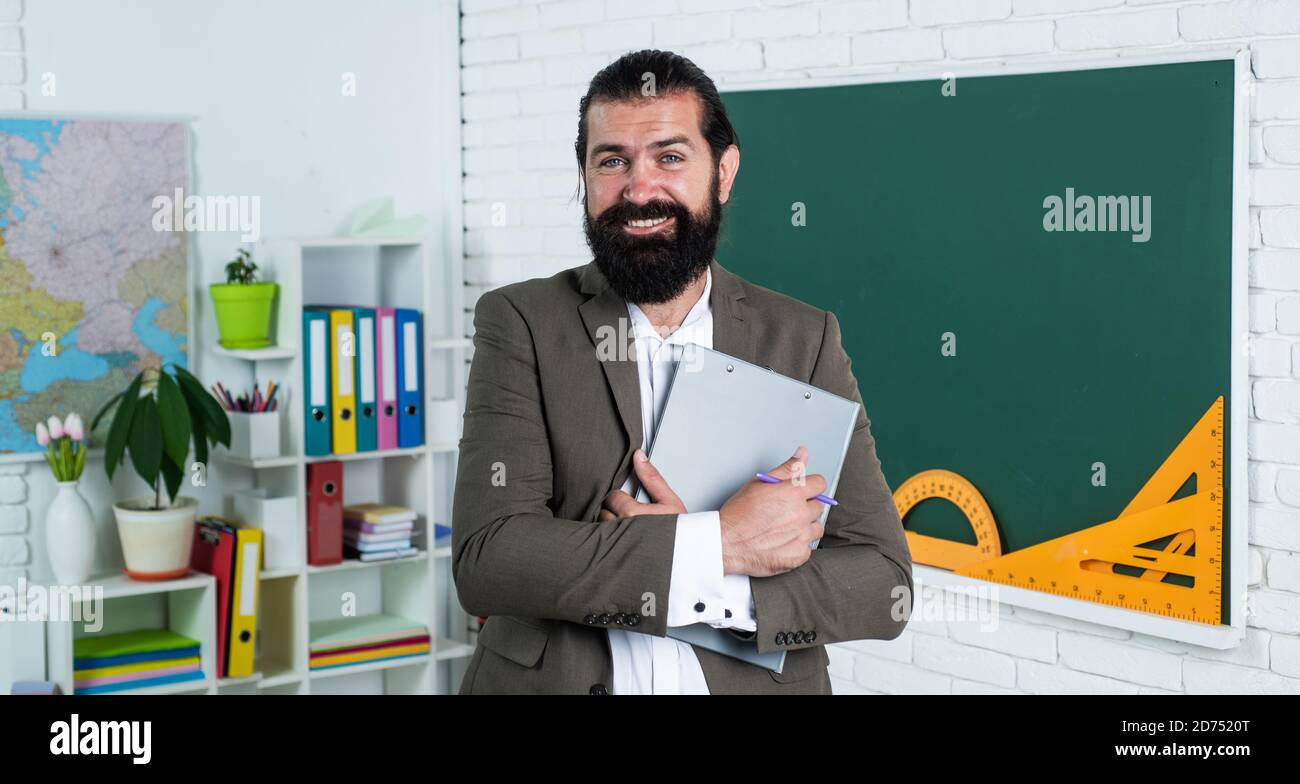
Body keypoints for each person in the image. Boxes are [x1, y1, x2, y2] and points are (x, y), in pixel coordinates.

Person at [453, 49, 912, 695]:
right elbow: (490, 561)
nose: (639, 191)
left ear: (722, 172)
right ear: (584, 173)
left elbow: (882, 581)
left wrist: (714, 586)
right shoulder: (522, 322)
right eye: (612, 160)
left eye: (670, 157)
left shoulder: (804, 338)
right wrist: (717, 543)